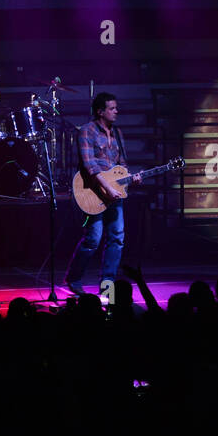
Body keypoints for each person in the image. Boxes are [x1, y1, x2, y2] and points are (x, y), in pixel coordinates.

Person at [65, 93, 141, 296]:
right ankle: (73, 278)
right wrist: (107, 187)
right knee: (93, 238)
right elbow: (90, 165)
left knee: (117, 237)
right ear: (100, 111)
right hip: (93, 192)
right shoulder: (87, 131)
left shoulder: (117, 133)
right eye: (112, 108)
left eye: (116, 108)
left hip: (114, 193)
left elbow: (122, 164)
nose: (116, 111)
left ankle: (108, 284)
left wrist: (131, 177)